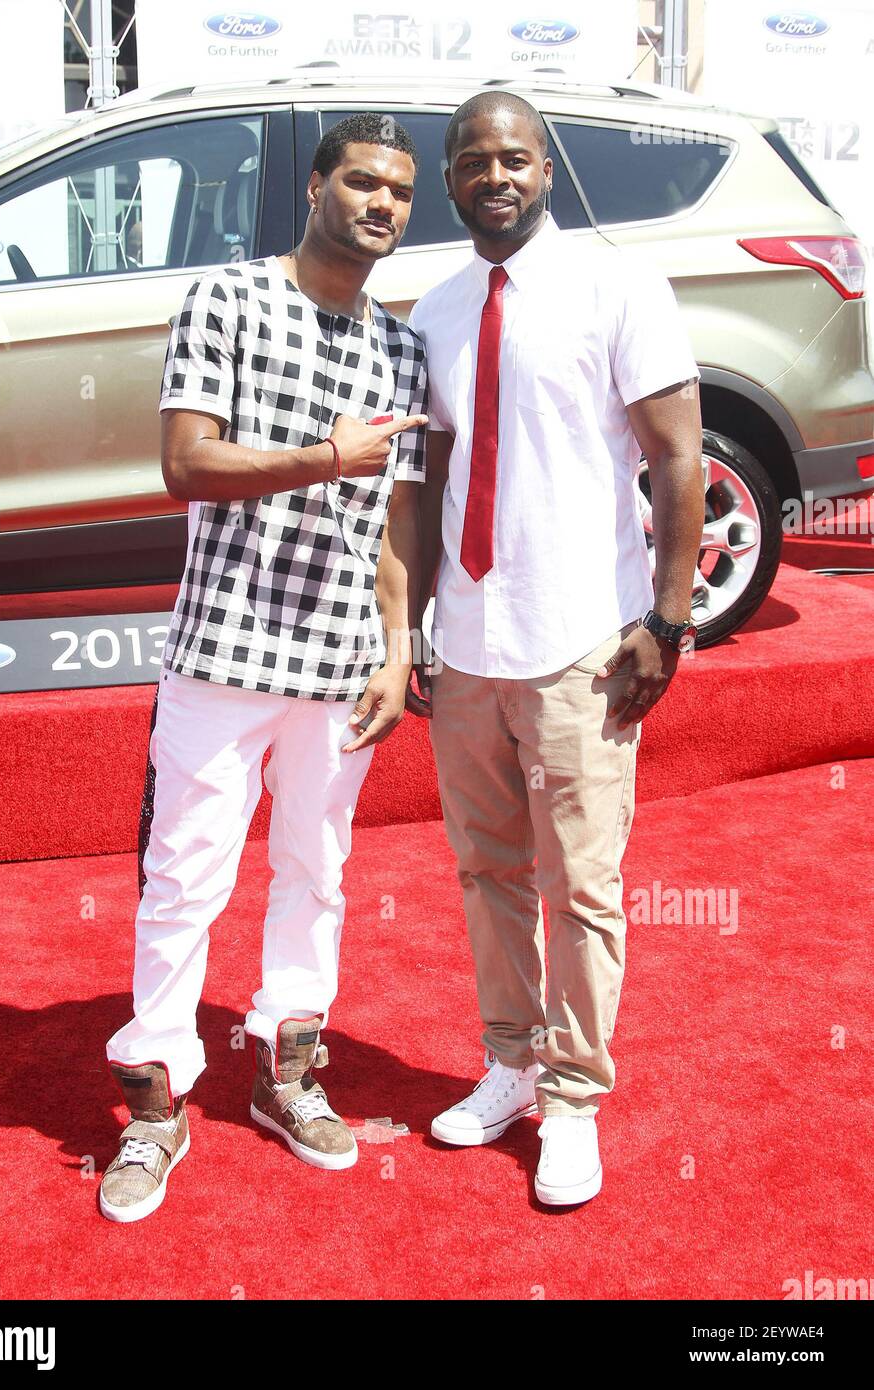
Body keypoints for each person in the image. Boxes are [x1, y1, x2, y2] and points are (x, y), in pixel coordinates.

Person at [100, 113, 428, 1222]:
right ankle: (154, 1103)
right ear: (314, 187)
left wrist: (398, 645)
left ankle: (287, 1073)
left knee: (317, 874)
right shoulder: (228, 300)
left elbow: (396, 516)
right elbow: (185, 463)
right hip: (221, 652)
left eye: (398, 191)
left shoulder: (403, 347)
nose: (380, 204)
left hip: (339, 664)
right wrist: (325, 456)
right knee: (184, 875)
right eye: (361, 182)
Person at [407, 91, 704, 1206]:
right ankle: (510, 1063)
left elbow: (677, 457)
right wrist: (420, 624)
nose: (495, 174)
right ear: (451, 179)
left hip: (583, 634)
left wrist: (665, 621)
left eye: (514, 157)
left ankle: (573, 1098)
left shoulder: (616, 285)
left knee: (580, 882)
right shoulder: (432, 309)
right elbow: (430, 481)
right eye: (474, 160)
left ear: (544, 168)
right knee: (488, 869)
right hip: (472, 639)